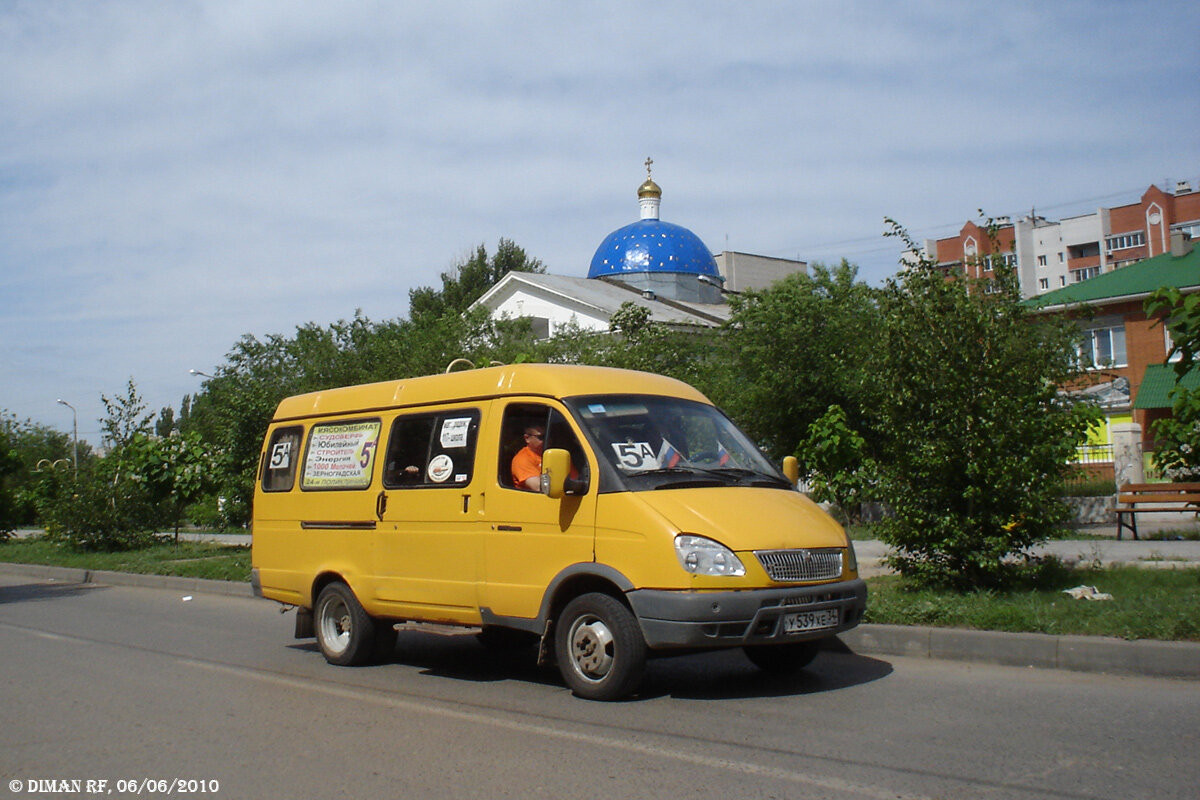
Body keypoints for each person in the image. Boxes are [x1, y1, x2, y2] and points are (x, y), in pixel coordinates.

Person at [511, 425, 546, 491]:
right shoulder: (522, 459)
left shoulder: (554, 454)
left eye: (549, 435)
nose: (547, 439)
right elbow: (539, 488)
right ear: (527, 438)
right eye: (541, 437)